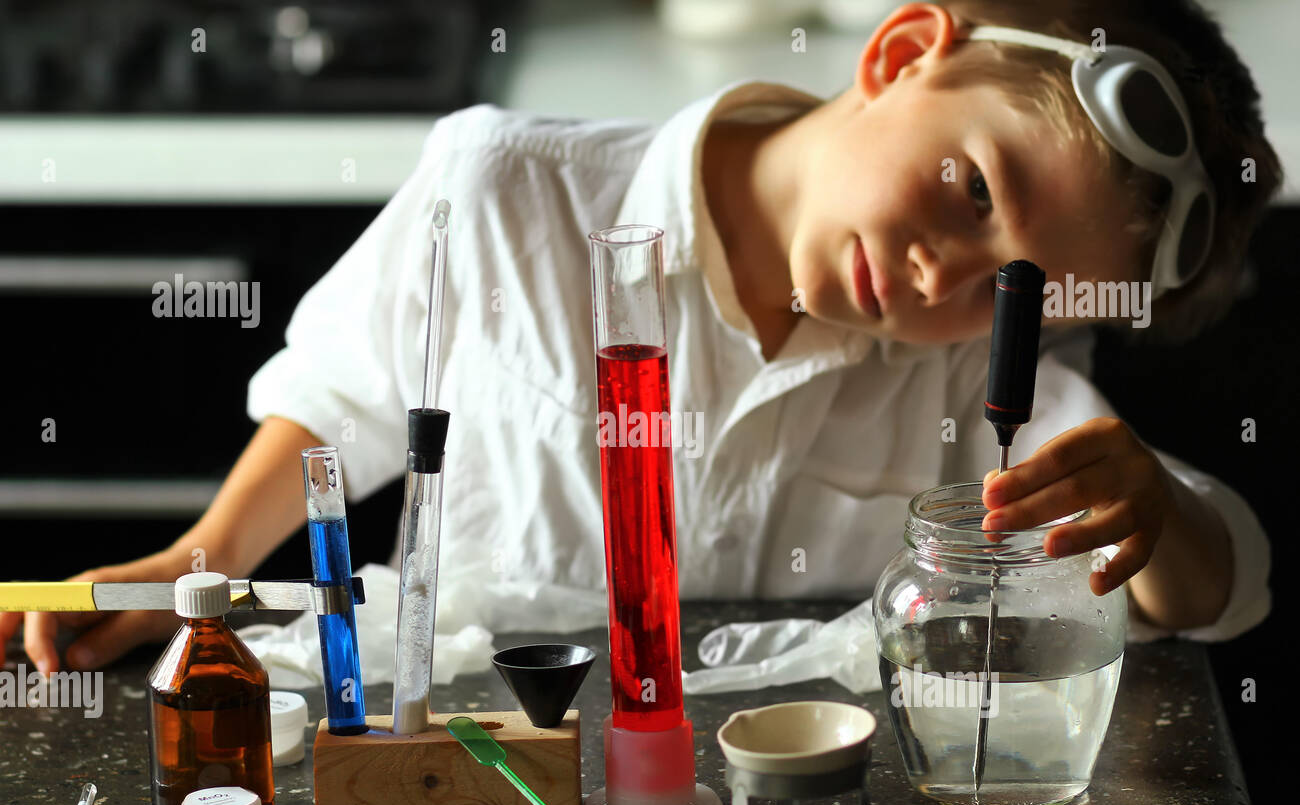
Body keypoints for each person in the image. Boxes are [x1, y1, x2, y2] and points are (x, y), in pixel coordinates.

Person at [3, 0, 1279, 676]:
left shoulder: (967, 369)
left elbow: (1219, 585)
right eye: (970, 192)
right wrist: (205, 552)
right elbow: (342, 391)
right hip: (489, 745)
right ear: (900, 53)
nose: (945, 273)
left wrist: (1157, 511)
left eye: (1015, 288)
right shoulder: (503, 187)